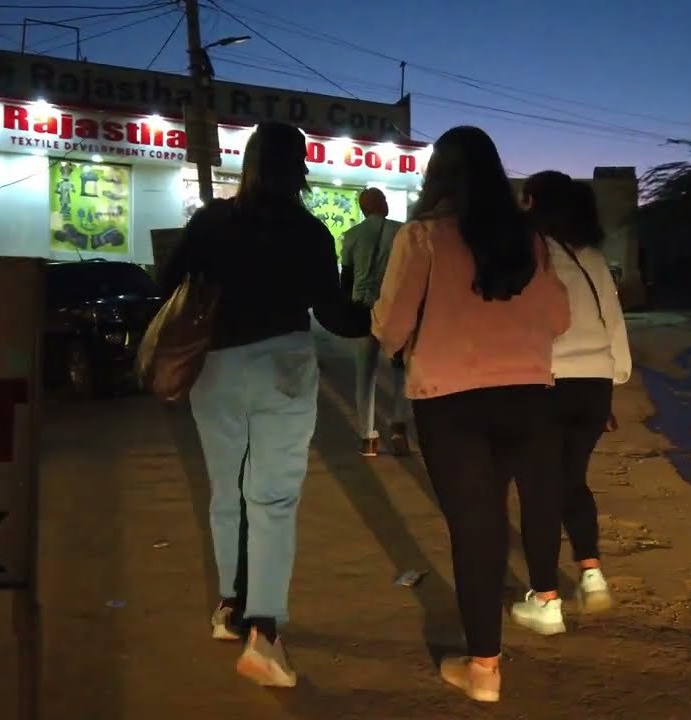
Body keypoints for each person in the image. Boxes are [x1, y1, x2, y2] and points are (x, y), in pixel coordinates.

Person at [159, 121, 369, 688]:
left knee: (227, 490)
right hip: (282, 365)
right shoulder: (310, 232)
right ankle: (265, 633)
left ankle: (231, 608)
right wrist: (379, 319)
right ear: (298, 166)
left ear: (249, 162)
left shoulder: (211, 222)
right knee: (272, 498)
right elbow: (334, 316)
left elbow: (168, 281)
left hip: (217, 368)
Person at [372, 126, 570, 703]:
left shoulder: (423, 238)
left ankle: (485, 667)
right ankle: (502, 641)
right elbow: (558, 320)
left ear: (439, 175)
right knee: (504, 512)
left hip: (450, 401)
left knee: (475, 529)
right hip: (530, 396)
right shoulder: (531, 242)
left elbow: (390, 329)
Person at [509, 173, 632, 637]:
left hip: (546, 379)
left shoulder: (528, 251)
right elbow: (613, 322)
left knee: (539, 491)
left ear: (534, 203)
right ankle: (592, 575)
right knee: (571, 480)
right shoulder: (594, 256)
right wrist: (612, 381)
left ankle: (546, 602)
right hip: (594, 384)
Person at [339, 187, 412, 457]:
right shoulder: (402, 232)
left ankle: (367, 438)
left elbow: (345, 280)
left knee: (365, 376)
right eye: (384, 199)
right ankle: (398, 427)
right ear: (381, 205)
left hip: (361, 312)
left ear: (362, 208)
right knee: (399, 371)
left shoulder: (352, 235)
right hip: (394, 311)